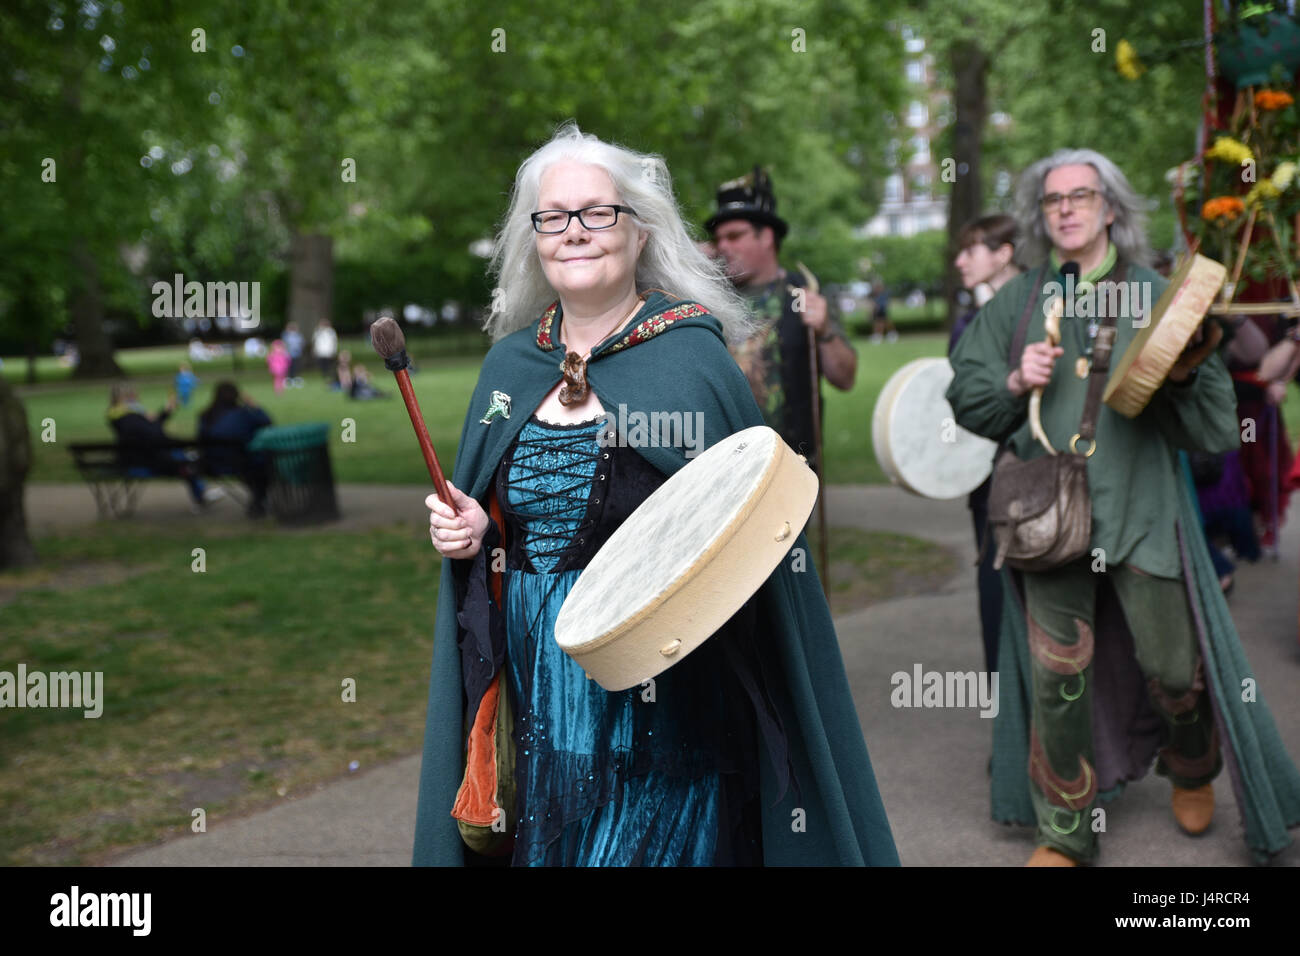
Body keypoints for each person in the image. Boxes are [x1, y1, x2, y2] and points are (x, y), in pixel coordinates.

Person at [414, 123, 897, 868]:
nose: (575, 232)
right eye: (553, 217)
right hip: (544, 697)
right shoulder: (509, 368)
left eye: (598, 213)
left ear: (638, 232)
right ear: (534, 238)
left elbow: (741, 533)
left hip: (670, 701)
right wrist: (480, 528)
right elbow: (507, 523)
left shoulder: (690, 362)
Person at [946, 147, 1300, 866]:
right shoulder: (1018, 301)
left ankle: (1192, 765)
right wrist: (1017, 379)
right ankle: (1067, 833)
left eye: (1081, 195)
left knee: (1172, 666)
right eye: (1053, 200)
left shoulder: (1158, 293)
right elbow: (967, 397)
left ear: (1110, 208)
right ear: (1041, 218)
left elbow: (1212, 427)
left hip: (1140, 508)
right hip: (1049, 513)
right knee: (1057, 672)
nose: (1067, 208)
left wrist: (1179, 373)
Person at [705, 167, 857, 475]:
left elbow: (845, 378)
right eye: (718, 238)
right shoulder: (707, 298)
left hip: (792, 466)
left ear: (768, 237)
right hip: (723, 466)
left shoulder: (804, 292)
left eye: (735, 236)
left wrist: (825, 330)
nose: (723, 246)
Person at [950, 213, 1021, 675]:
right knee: (995, 599)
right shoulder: (968, 320)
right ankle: (1010, 732)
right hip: (989, 483)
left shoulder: (1047, 308)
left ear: (1003, 253)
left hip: (1042, 474)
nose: (959, 261)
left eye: (970, 250)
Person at [106, 385, 222, 511]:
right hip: (144, 460)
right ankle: (201, 494)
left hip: (142, 455)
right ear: (122, 399)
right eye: (132, 396)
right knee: (185, 460)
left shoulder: (122, 416)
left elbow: (150, 430)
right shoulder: (129, 417)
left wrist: (166, 412)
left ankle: (202, 492)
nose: (136, 399)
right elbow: (155, 433)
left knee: (182, 456)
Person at [198, 381, 273, 518]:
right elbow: (267, 422)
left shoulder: (205, 416)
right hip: (243, 463)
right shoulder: (243, 414)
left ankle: (258, 499)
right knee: (264, 463)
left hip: (212, 464)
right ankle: (259, 499)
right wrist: (253, 405)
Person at [282, 321, 306, 386]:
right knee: (289, 367)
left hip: (297, 354)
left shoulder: (298, 335)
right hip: (288, 354)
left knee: (296, 367)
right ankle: (289, 379)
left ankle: (295, 378)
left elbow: (302, 343)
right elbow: (284, 344)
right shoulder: (286, 335)